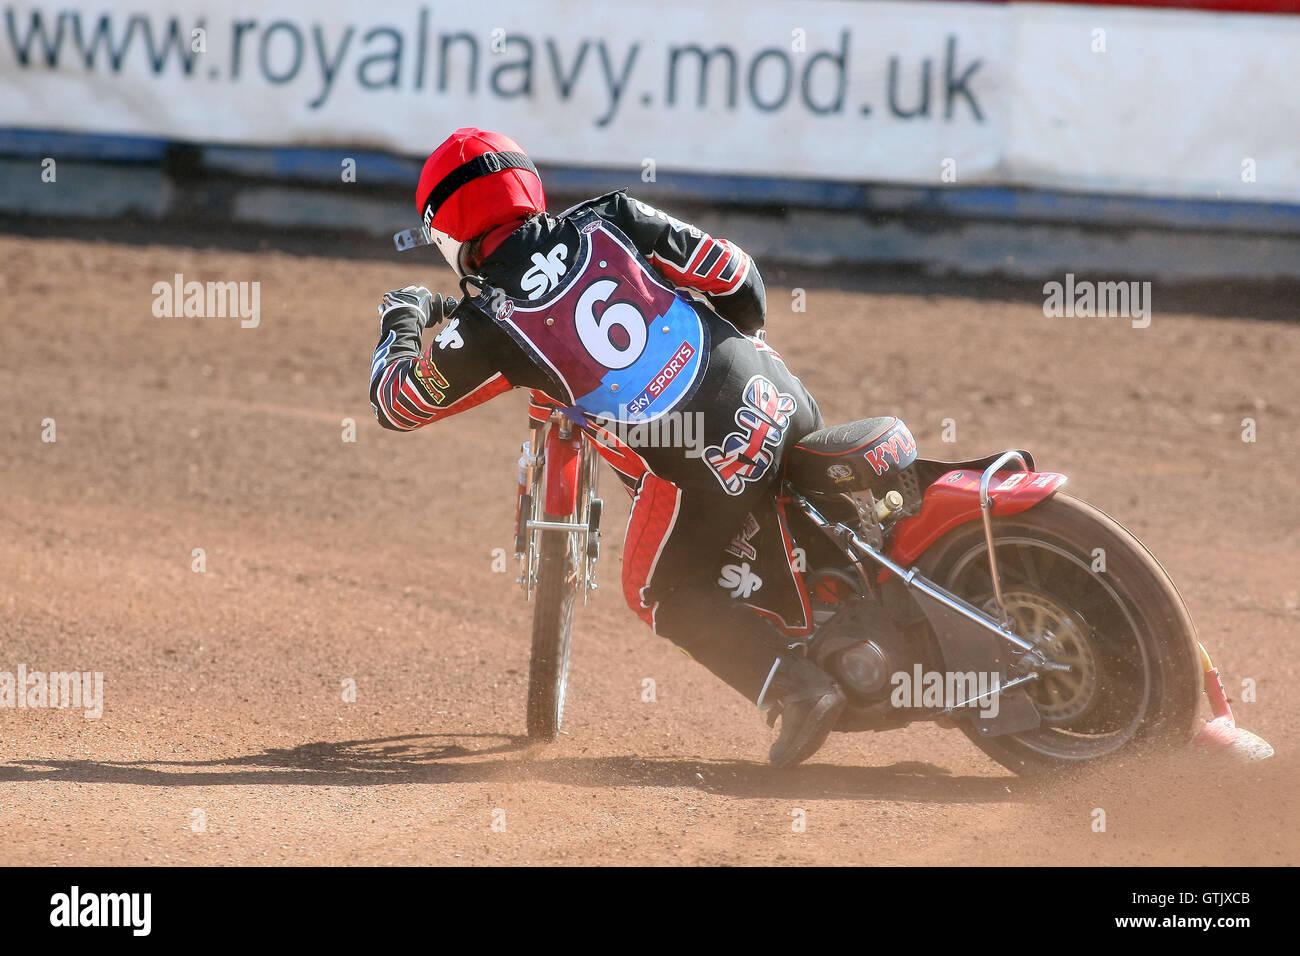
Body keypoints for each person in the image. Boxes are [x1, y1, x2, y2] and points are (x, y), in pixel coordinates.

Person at [370, 127, 846, 767]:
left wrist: (400, 324)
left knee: (660, 592)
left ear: (447, 233)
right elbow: (737, 276)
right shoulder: (611, 217)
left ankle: (796, 687)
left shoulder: (487, 324)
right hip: (779, 395)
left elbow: (399, 404)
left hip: (704, 475)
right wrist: (740, 355)